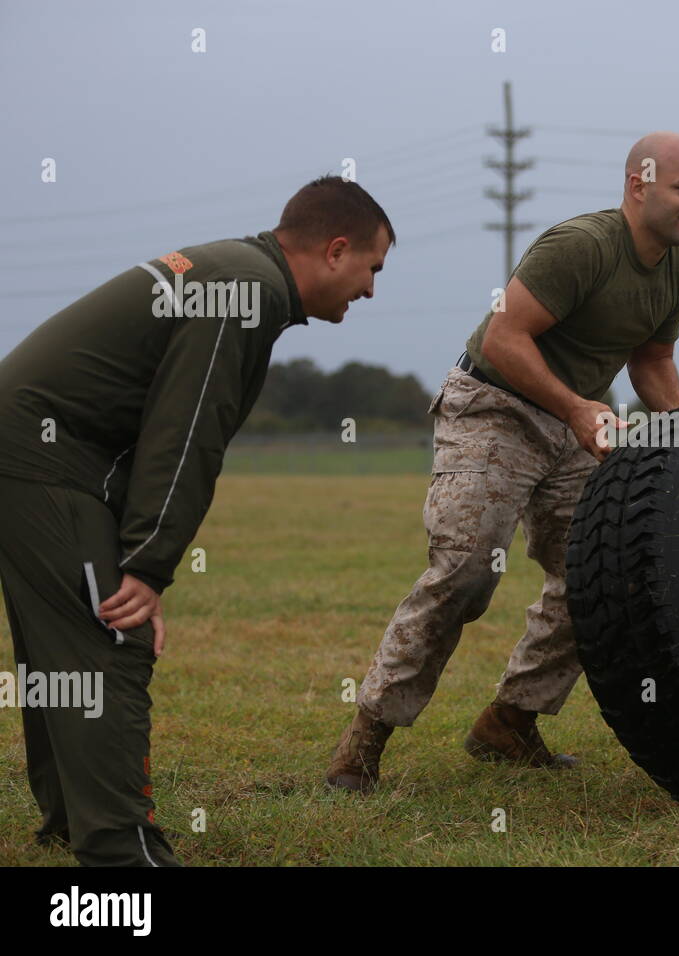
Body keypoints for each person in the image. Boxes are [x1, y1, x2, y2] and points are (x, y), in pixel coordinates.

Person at [0, 175, 394, 865]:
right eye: (372, 269)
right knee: (108, 642)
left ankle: (72, 819)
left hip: (34, 451)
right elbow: (185, 432)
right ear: (336, 250)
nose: (370, 290)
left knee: (60, 649)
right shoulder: (245, 292)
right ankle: (124, 854)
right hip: (47, 458)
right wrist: (147, 564)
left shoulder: (236, 271)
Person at [326, 131, 679, 792]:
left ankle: (510, 720)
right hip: (495, 406)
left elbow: (652, 363)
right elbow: (505, 338)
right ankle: (363, 742)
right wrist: (575, 408)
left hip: (574, 422)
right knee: (469, 568)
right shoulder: (581, 246)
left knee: (602, 571)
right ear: (638, 185)